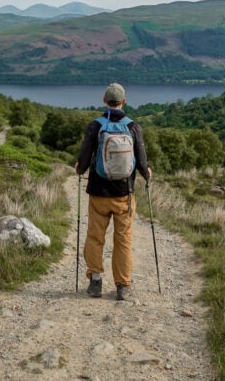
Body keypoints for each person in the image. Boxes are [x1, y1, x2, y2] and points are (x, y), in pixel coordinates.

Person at [74, 82, 151, 301]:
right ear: (123, 101)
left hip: (98, 193)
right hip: (124, 194)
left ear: (104, 101)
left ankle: (95, 281)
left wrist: (79, 168)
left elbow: (83, 161)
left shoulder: (95, 126)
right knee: (123, 240)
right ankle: (123, 286)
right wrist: (147, 174)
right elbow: (142, 162)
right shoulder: (133, 127)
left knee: (95, 237)